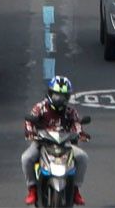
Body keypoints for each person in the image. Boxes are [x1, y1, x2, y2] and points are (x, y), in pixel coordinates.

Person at [21, 76, 89, 206]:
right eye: (57, 96)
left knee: (83, 157)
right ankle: (32, 189)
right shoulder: (40, 107)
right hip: (42, 143)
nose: (60, 99)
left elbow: (76, 124)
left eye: (63, 96)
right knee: (26, 158)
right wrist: (30, 133)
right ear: (50, 93)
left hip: (65, 144)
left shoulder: (70, 111)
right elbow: (29, 121)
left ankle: (75, 190)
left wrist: (81, 134)